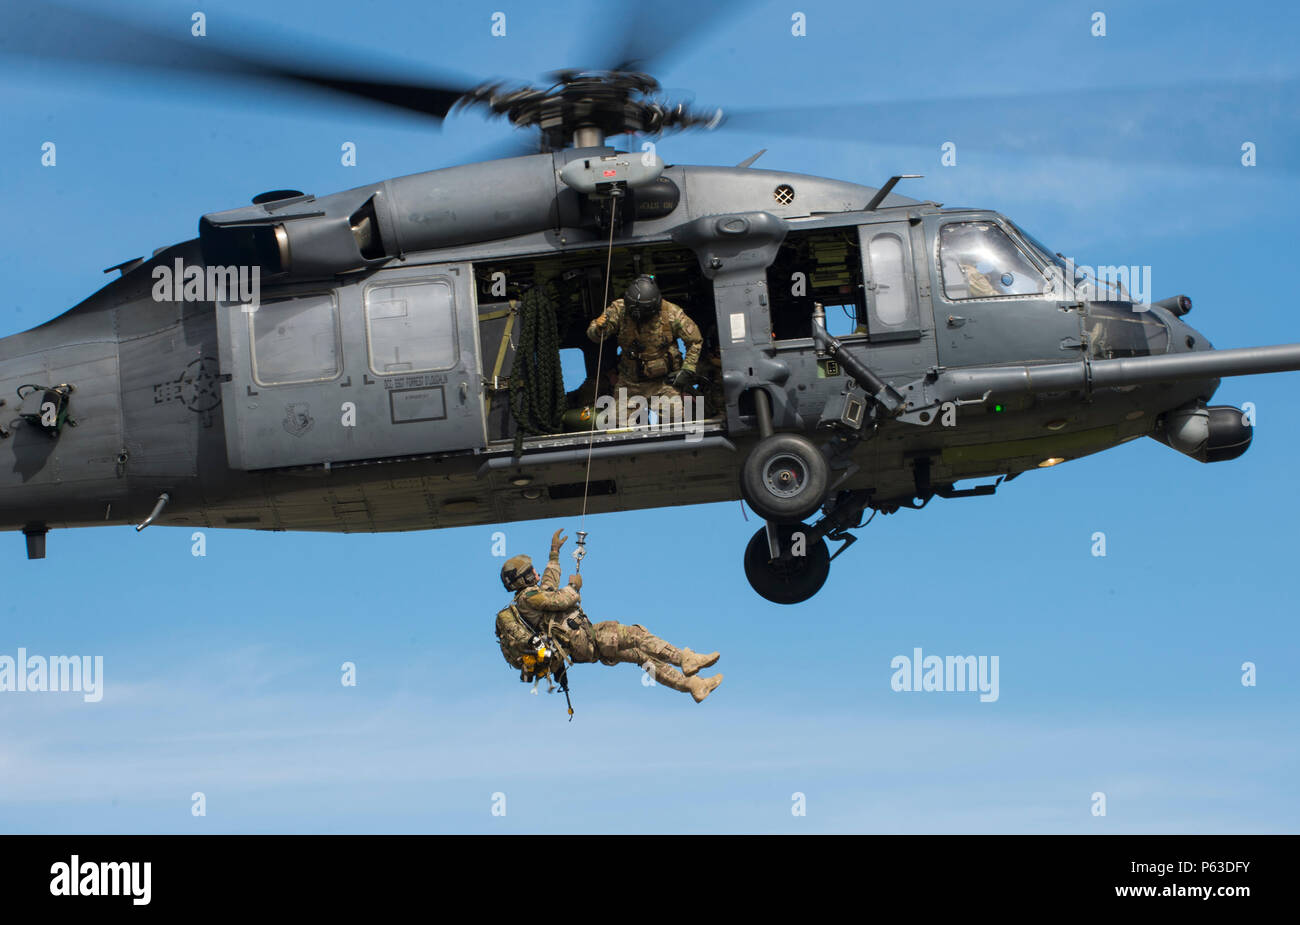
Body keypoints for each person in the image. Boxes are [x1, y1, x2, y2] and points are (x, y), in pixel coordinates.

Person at [496, 529, 723, 703]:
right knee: (635, 635)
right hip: (583, 640)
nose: (535, 573)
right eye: (531, 571)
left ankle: (692, 685)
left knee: (641, 656)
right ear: (524, 579)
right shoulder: (529, 599)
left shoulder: (529, 597)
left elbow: (548, 583)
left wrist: (554, 554)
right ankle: (684, 659)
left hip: (581, 646)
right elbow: (560, 600)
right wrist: (574, 589)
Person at [586, 275, 703, 425]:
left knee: (675, 422)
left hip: (664, 383)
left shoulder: (672, 313)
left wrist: (687, 370)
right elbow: (594, 336)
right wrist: (598, 328)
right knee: (617, 424)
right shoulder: (620, 310)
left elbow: (695, 340)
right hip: (630, 382)